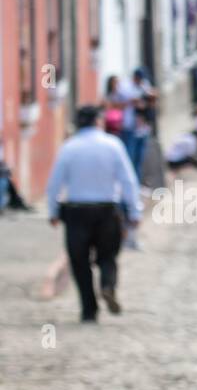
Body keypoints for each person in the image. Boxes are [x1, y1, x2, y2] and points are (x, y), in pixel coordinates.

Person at [45, 105, 143, 322]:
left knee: (79, 261)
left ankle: (89, 309)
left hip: (76, 212)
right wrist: (135, 210)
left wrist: (52, 211)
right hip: (107, 210)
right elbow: (128, 180)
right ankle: (107, 286)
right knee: (107, 256)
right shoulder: (113, 145)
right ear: (99, 121)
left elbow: (54, 184)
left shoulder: (69, 147)